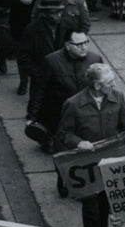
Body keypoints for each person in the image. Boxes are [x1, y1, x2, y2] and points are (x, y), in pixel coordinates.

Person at [55, 64, 125, 227]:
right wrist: (79, 142)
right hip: (87, 168)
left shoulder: (117, 98)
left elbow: (124, 131)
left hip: (110, 165)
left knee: (105, 208)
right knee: (91, 212)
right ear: (97, 85)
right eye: (110, 82)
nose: (114, 85)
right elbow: (64, 133)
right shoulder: (73, 104)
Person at [27, 29, 103, 191]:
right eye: (79, 44)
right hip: (60, 117)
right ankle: (62, 178)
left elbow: (101, 86)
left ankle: (82, 181)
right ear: (68, 45)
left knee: (85, 150)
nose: (84, 47)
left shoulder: (95, 59)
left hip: (87, 116)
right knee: (62, 152)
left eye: (86, 42)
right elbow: (39, 89)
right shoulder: (52, 61)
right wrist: (32, 115)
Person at [0, 0, 48, 94]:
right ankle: (23, 82)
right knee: (22, 57)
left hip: (39, 28)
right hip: (20, 26)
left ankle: (37, 82)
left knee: (39, 57)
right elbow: (2, 0)